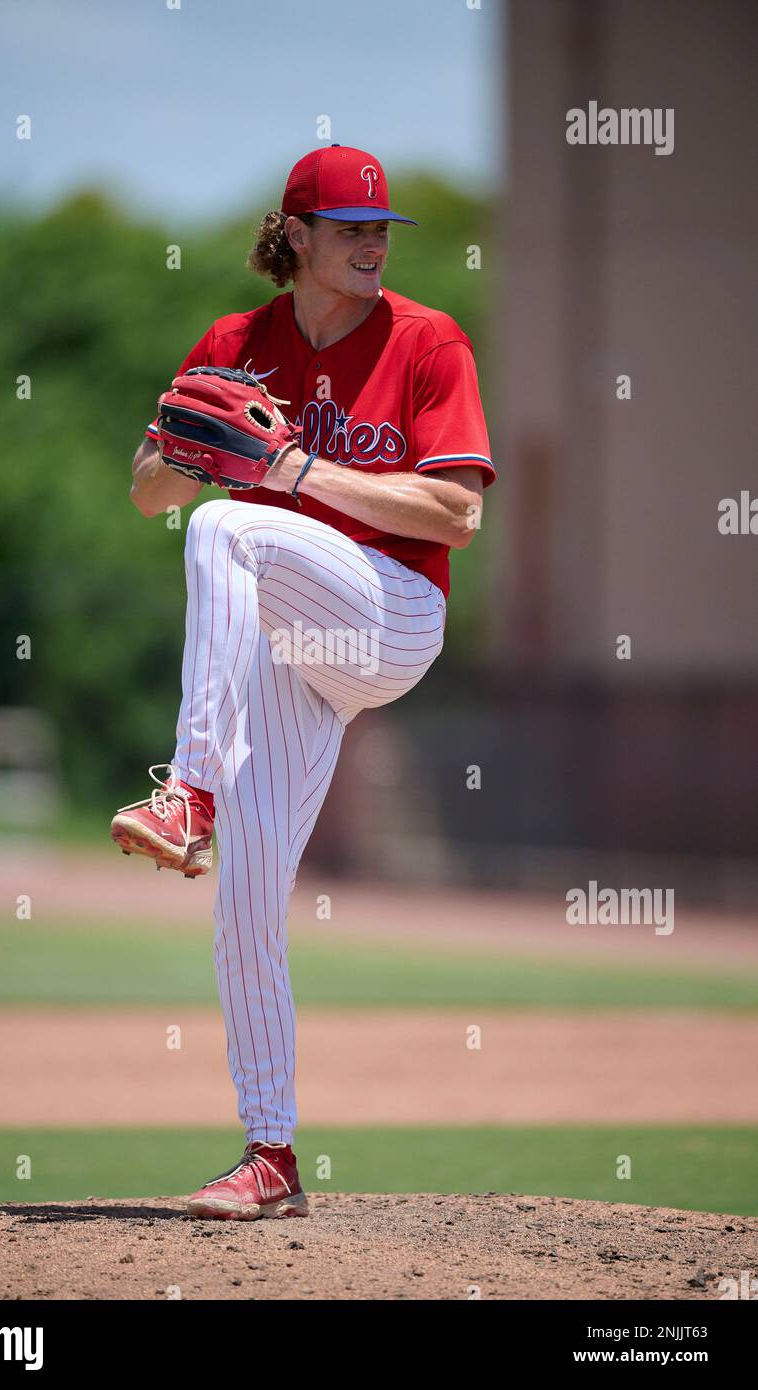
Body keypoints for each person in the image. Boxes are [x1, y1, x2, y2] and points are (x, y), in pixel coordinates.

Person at [111, 144, 495, 1220]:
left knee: (234, 527)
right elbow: (148, 495)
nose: (372, 242)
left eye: (381, 227)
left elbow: (458, 511)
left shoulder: (426, 341)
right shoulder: (235, 345)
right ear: (295, 237)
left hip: (392, 614)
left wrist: (287, 472)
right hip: (293, 647)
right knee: (247, 893)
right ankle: (269, 1154)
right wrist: (192, 449)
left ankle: (185, 790)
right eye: (348, 226)